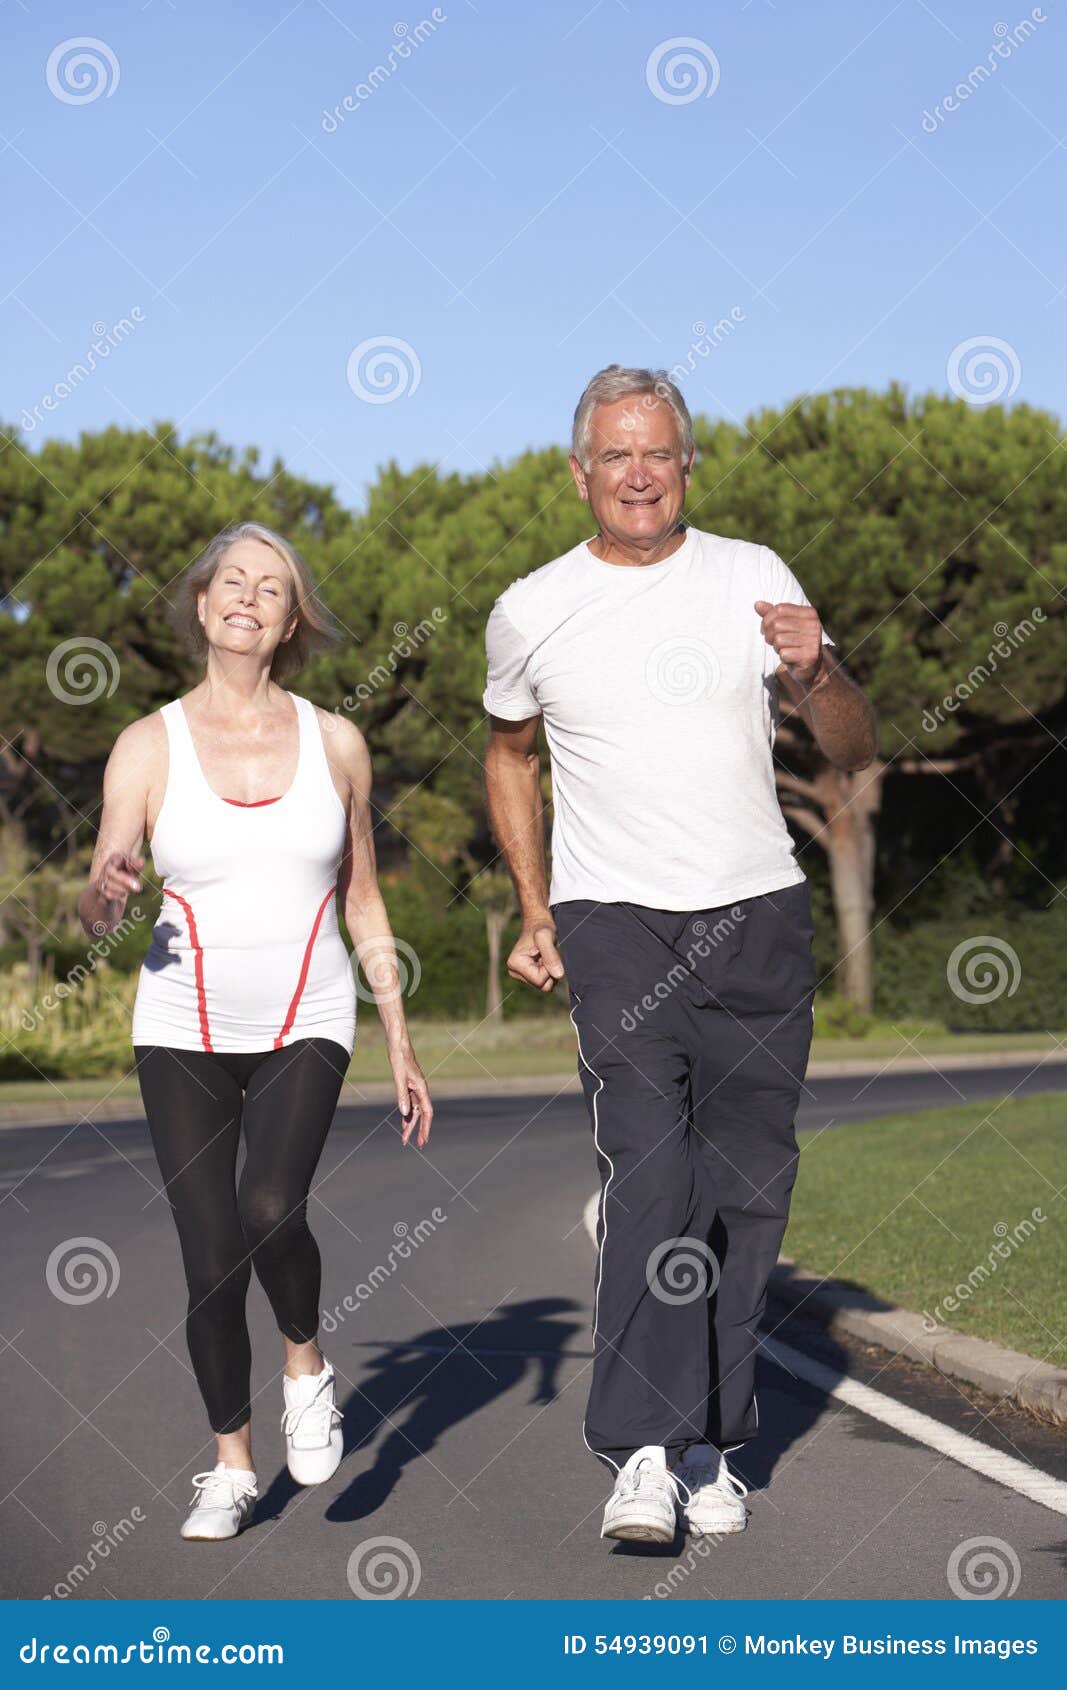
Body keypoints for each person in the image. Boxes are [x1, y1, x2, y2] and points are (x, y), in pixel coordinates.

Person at [483, 366, 875, 1545]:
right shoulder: (532, 608)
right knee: (651, 1179)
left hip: (755, 915)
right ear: (579, 472)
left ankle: (713, 1445)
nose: (638, 474)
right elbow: (507, 755)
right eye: (615, 454)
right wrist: (534, 904)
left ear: (686, 464)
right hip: (613, 922)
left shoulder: (753, 576)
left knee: (744, 1192)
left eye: (657, 452)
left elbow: (849, 749)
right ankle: (641, 1453)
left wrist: (816, 671)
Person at [79, 520, 433, 1543]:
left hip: (306, 1013)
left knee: (271, 1206)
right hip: (179, 1021)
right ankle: (230, 1465)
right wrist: (105, 894)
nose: (247, 596)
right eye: (231, 581)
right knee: (209, 1258)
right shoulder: (147, 745)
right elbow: (99, 899)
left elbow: (362, 898)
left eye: (271, 587)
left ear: (290, 623)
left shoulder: (336, 742)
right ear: (202, 606)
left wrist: (399, 1036)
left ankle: (304, 1362)